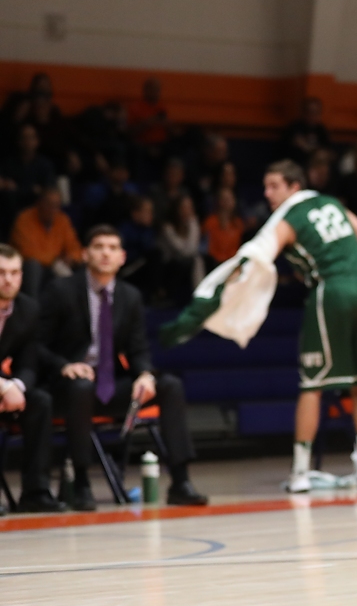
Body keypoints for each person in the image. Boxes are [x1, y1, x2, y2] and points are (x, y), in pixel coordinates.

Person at [39, 226, 206, 510]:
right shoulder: (61, 290)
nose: (106, 253)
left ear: (122, 257)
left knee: (170, 386)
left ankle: (181, 480)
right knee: (80, 387)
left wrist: (143, 373)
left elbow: (138, 348)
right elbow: (36, 345)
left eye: (113, 247)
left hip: (109, 384)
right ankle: (81, 482)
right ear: (85, 254)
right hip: (67, 388)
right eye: (99, 246)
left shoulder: (130, 296)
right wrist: (65, 365)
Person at [254, 162, 357, 493]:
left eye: (273, 186)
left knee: (313, 383)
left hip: (332, 290)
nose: (267, 194)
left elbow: (260, 258)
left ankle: (300, 471)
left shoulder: (288, 218)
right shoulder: (333, 203)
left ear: (294, 187)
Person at [0, 244, 63, 512]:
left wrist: (17, 386)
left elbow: (29, 362)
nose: (9, 279)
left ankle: (36, 492)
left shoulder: (28, 309)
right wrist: (3, 387)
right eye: (2, 272)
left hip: (7, 390)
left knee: (39, 401)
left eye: (15, 272)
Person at [11, 185, 83, 295]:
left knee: (81, 266)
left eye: (57, 206)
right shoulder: (24, 219)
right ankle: (32, 307)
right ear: (39, 203)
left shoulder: (62, 220)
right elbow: (27, 252)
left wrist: (71, 257)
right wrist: (54, 260)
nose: (53, 209)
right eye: (49, 204)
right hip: (31, 268)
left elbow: (75, 247)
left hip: (56, 267)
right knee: (33, 266)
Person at [157, 192, 203, 303]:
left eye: (190, 207)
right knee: (191, 260)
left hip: (185, 264)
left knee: (199, 259)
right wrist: (193, 223)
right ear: (176, 209)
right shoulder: (167, 227)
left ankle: (200, 296)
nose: (188, 210)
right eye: (184, 207)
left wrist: (192, 224)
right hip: (168, 267)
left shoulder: (191, 225)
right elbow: (184, 252)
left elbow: (193, 249)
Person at [282, 96, 331, 164]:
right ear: (303, 112)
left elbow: (329, 151)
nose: (313, 116)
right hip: (295, 165)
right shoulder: (294, 128)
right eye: (310, 112)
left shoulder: (321, 130)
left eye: (316, 112)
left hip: (314, 166)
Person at [203, 187, 244, 264]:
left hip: (233, 263)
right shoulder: (210, 222)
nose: (227, 202)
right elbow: (206, 248)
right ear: (218, 201)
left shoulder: (238, 223)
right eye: (224, 199)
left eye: (230, 198)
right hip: (214, 263)